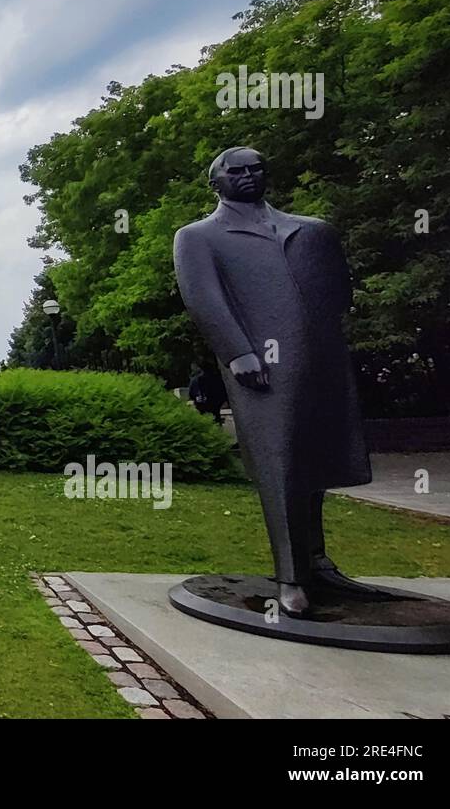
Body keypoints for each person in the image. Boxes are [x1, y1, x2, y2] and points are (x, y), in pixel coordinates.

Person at [173, 146, 372, 617]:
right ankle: (292, 576)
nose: (247, 176)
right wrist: (237, 350)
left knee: (315, 458)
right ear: (215, 182)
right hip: (258, 363)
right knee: (278, 463)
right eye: (235, 170)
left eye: (255, 168)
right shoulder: (199, 237)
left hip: (317, 356)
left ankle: (317, 561)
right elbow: (203, 297)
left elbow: (337, 293)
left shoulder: (312, 230)